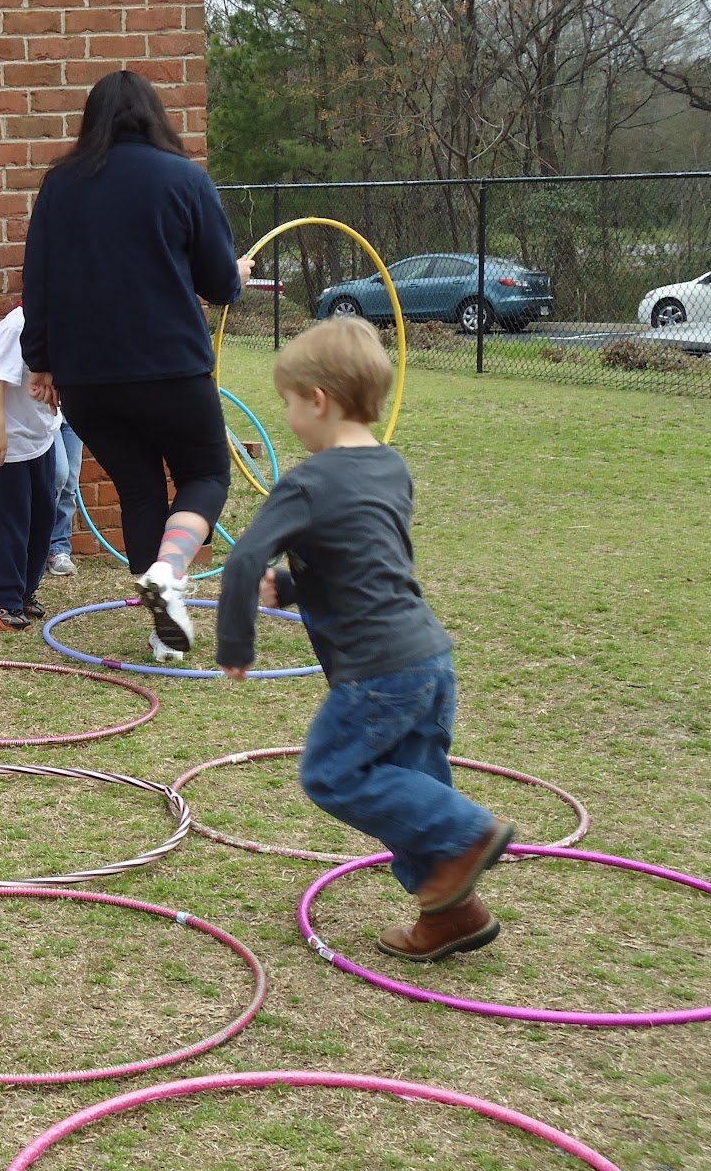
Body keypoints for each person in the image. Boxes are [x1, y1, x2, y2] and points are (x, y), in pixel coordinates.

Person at [216, 317, 514, 962]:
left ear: (318, 400)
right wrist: (294, 592)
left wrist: (236, 644)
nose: (290, 417)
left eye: (288, 403)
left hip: (376, 672)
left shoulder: (308, 480)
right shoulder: (390, 466)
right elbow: (364, 562)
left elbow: (242, 561)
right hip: (428, 656)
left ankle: (469, 833)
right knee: (409, 785)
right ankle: (450, 914)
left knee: (333, 773)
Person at [20, 69, 253, 663]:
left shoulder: (58, 186)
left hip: (88, 379)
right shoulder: (183, 179)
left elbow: (38, 282)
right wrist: (239, 274)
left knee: (140, 488)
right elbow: (220, 283)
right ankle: (170, 574)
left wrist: (39, 364)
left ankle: (163, 624)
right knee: (206, 474)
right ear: (155, 117)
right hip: (170, 366)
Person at [0, 303, 58, 629]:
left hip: (40, 440)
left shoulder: (66, 319)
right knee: (9, 523)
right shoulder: (16, 325)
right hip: (5, 447)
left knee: (41, 519)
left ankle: (23, 591)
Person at [46, 420, 82, 577]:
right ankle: (37, 547)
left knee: (70, 483)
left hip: (73, 407)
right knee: (58, 475)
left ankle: (58, 549)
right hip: (45, 409)